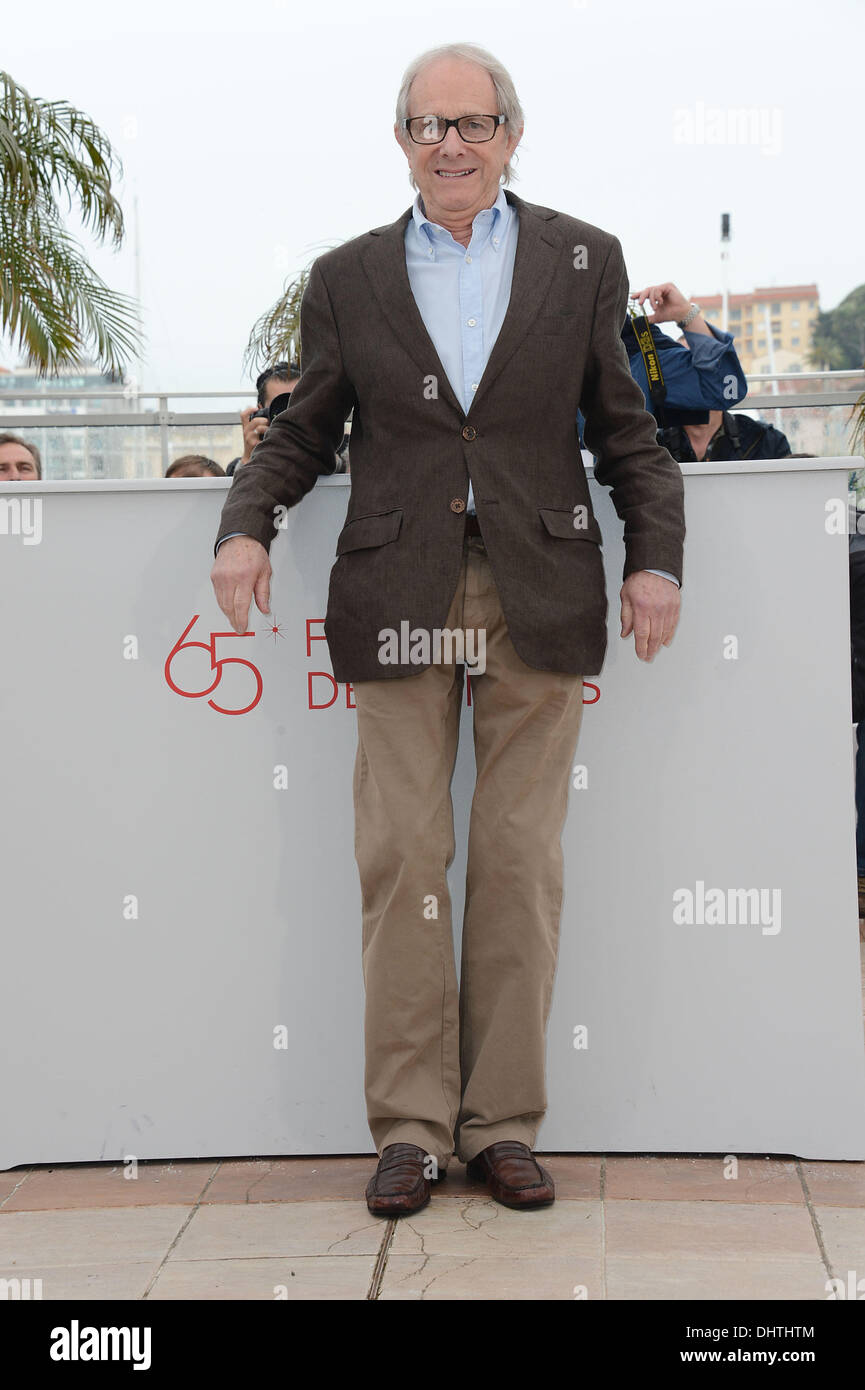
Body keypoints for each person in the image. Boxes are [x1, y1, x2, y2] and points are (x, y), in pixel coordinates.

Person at [210, 42, 685, 1219]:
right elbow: (304, 426)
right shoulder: (348, 276)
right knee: (402, 863)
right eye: (430, 126)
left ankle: (505, 1126)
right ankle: (412, 1132)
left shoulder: (582, 257)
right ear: (402, 144)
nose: (453, 145)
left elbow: (626, 429)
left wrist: (655, 558)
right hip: (399, 592)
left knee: (520, 865)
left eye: (473, 124)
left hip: (540, 588)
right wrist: (246, 524)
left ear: (510, 136)